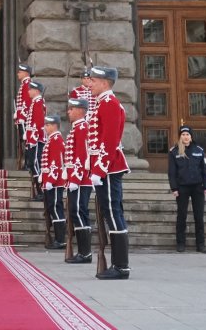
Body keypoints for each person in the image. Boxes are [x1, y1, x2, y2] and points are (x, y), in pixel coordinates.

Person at [85, 65, 131, 280]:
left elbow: (110, 140)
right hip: (104, 167)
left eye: (93, 80)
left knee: (113, 213)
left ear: (104, 83)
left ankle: (121, 266)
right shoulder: (101, 103)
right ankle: (117, 264)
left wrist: (100, 168)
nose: (90, 83)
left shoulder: (110, 103)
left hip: (109, 167)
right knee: (109, 213)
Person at [168, 126, 206, 253]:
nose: (185, 137)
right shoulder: (174, 151)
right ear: (180, 136)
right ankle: (180, 243)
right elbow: (172, 172)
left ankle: (201, 244)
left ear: (191, 137)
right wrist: (174, 188)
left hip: (197, 186)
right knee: (182, 215)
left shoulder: (199, 150)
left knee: (199, 216)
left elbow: (204, 170)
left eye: (188, 134)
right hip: (182, 187)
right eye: (183, 134)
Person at [64, 98, 93, 264]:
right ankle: (83, 252)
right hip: (76, 178)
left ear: (81, 110)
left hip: (81, 180)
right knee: (76, 212)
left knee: (79, 212)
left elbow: (82, 157)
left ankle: (85, 252)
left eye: (71, 109)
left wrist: (75, 178)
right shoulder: (76, 128)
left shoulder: (82, 128)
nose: (68, 111)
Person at [39, 114, 66, 250]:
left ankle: (60, 240)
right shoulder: (52, 139)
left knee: (56, 208)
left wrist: (50, 179)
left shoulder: (55, 139)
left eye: (47, 125)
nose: (45, 127)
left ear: (55, 125)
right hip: (50, 181)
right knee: (53, 208)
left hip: (55, 182)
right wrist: (43, 177)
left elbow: (56, 162)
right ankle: (58, 239)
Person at [25, 81, 46, 201]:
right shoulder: (35, 102)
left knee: (36, 163)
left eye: (30, 89)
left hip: (36, 139)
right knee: (33, 164)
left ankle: (41, 190)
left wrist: (34, 137)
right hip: (33, 138)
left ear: (36, 90)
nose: (28, 91)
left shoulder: (38, 102)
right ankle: (39, 190)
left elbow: (39, 122)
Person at [13, 63, 32, 167]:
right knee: (24, 143)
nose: (17, 74)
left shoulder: (27, 84)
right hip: (22, 118)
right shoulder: (24, 84)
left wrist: (22, 117)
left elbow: (27, 103)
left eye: (19, 72)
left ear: (25, 73)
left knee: (26, 143)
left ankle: (27, 164)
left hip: (25, 119)